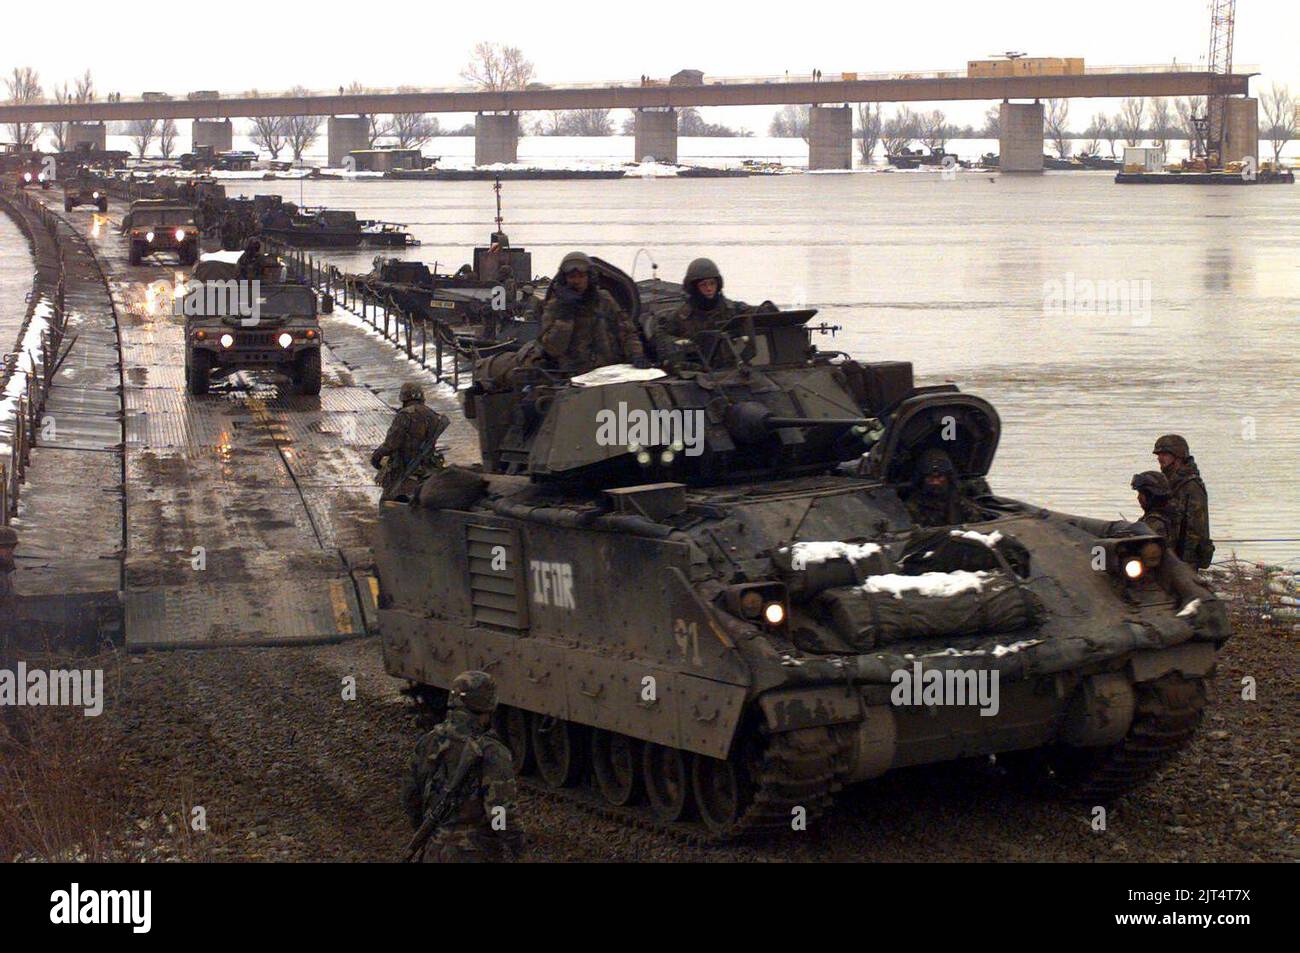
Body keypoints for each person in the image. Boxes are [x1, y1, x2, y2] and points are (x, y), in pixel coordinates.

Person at [403, 671, 521, 863]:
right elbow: (501, 813)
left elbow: (410, 797)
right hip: (476, 854)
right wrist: (519, 850)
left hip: (432, 851)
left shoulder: (426, 743)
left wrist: (428, 829)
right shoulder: (492, 752)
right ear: (489, 706)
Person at [536, 252, 646, 373]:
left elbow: (627, 331)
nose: (577, 281)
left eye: (581, 276)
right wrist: (565, 315)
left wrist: (636, 354)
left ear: (589, 277)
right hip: (573, 374)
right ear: (564, 279)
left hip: (609, 369)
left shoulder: (603, 299)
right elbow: (553, 349)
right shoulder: (555, 306)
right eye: (572, 276)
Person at [651, 257, 751, 368]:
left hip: (731, 368)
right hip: (700, 371)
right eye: (703, 285)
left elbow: (753, 315)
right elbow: (659, 334)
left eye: (712, 283)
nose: (709, 289)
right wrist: (680, 344)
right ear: (694, 288)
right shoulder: (683, 316)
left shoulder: (731, 310)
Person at [372, 382, 450, 501]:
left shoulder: (405, 415)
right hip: (427, 467)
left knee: (388, 500)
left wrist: (376, 457)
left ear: (404, 398)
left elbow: (391, 444)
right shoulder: (433, 415)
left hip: (404, 467)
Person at [1152, 434, 1214, 568]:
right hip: (1169, 553)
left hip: (1184, 557)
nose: (1159, 458)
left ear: (1178, 456)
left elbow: (1196, 528)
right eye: (1158, 454)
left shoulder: (1191, 486)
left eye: (1164, 454)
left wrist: (1185, 563)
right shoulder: (1167, 481)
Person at [905, 447, 983, 527]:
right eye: (930, 478)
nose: (935, 482)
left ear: (948, 477)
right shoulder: (913, 506)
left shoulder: (959, 500)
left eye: (940, 477)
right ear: (922, 479)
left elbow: (979, 523)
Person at [1130, 470, 1176, 542]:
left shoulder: (1155, 523)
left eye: (1142, 494)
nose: (1138, 498)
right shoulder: (1170, 514)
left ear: (1152, 495)